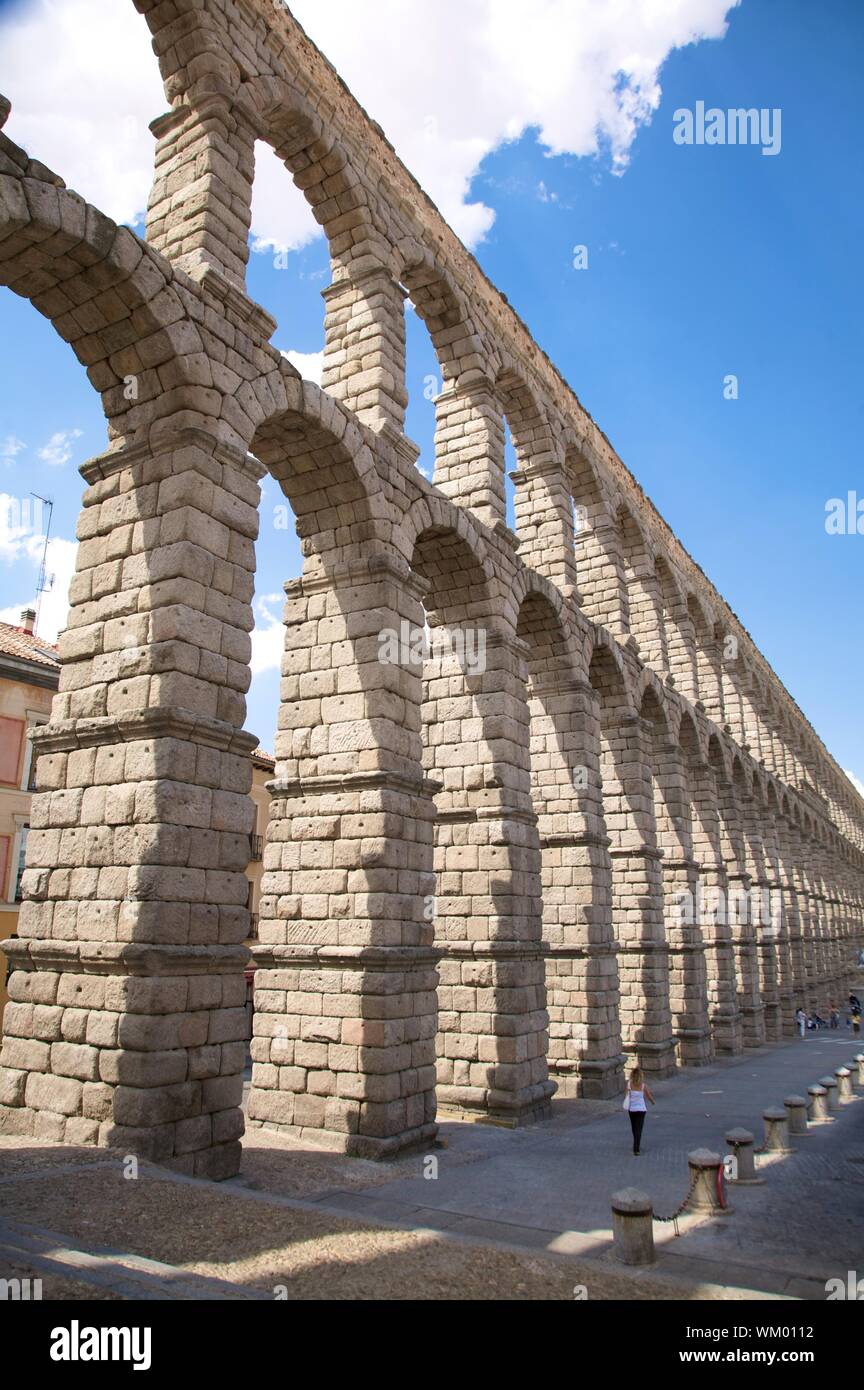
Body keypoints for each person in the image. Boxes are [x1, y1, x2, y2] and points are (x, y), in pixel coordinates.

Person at [623, 1066, 655, 1155]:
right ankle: (636, 1148)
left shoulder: (629, 1084)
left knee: (634, 1127)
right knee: (639, 1128)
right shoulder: (643, 1086)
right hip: (641, 1109)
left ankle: (636, 1144)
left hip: (632, 1109)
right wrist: (653, 1102)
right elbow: (648, 1095)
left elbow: (626, 1095)